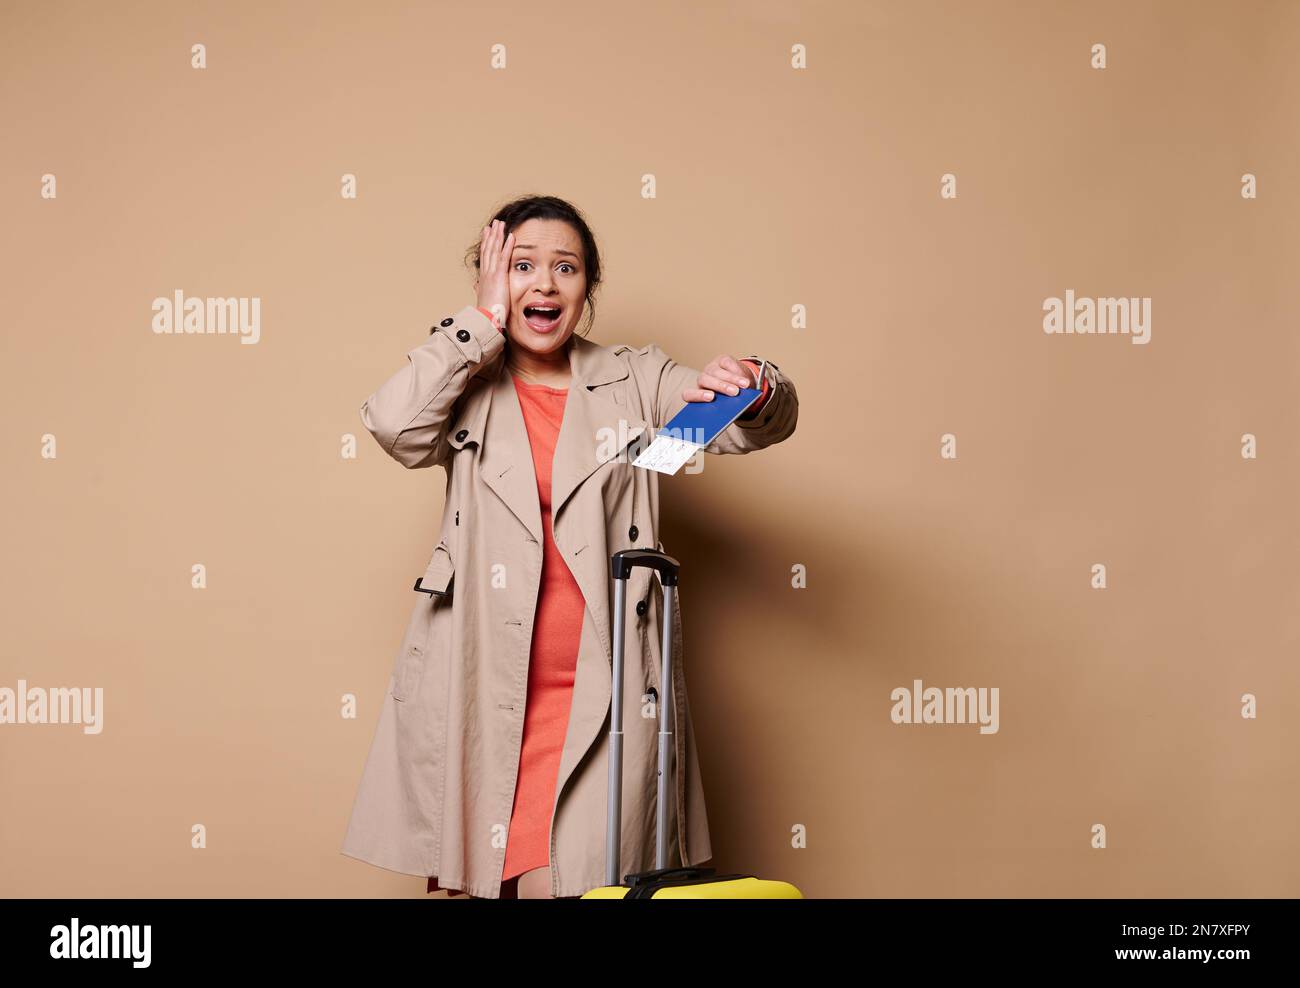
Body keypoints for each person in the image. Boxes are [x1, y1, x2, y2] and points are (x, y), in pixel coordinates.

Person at [341, 195, 798, 899]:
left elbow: (745, 424)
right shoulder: (466, 374)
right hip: (483, 687)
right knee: (471, 886)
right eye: (522, 266)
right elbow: (393, 427)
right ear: (492, 279)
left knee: (582, 883)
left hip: (601, 695)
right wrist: (481, 322)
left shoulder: (632, 380)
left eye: (566, 268)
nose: (545, 284)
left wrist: (755, 381)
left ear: (588, 288)